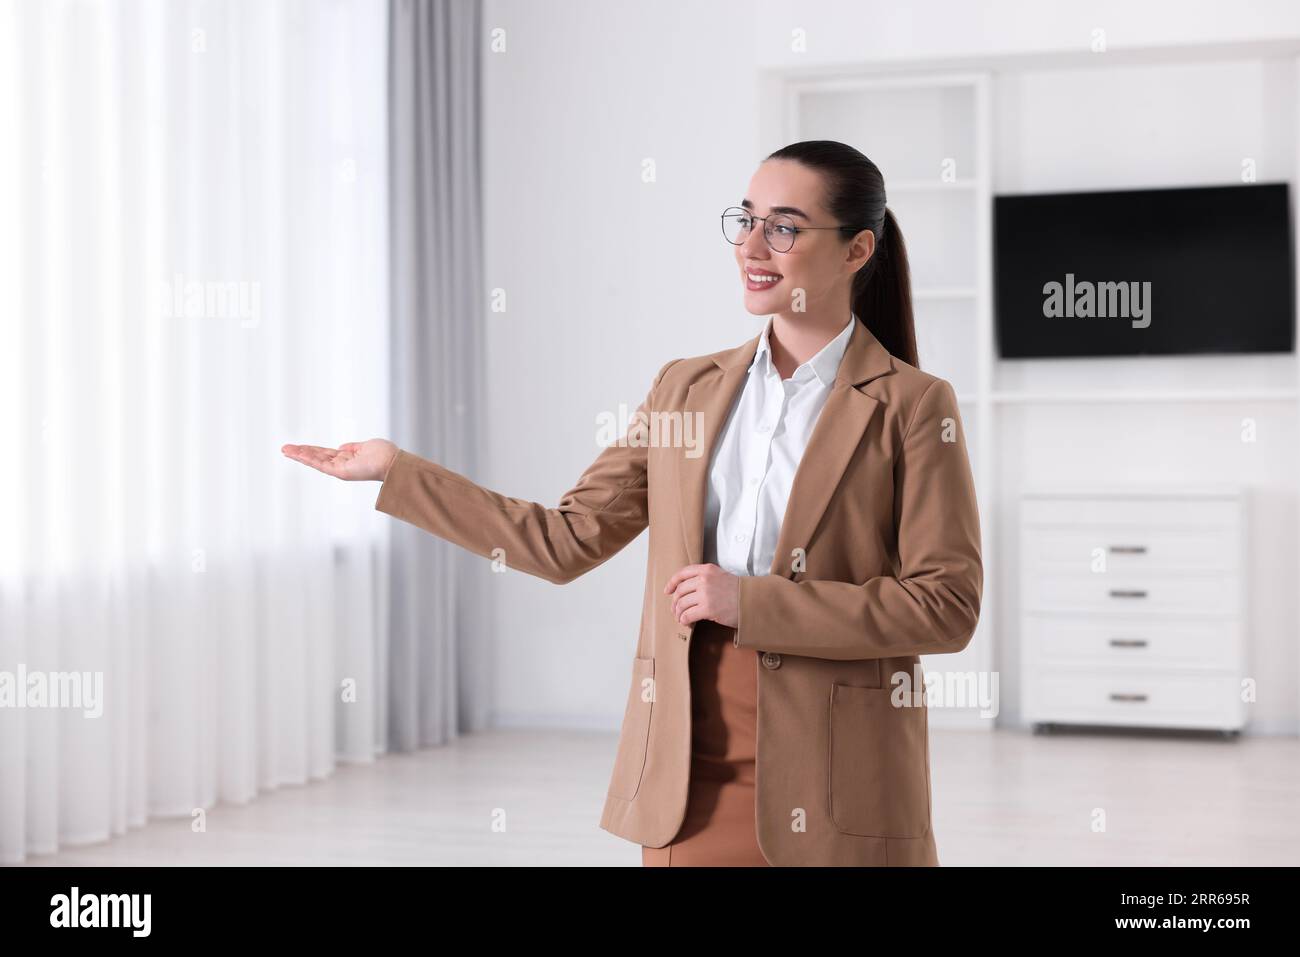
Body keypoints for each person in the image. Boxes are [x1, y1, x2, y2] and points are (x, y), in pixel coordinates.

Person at [283, 139, 983, 866]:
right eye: (744, 220)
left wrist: (755, 602)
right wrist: (399, 473)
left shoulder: (913, 405)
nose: (751, 245)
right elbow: (565, 540)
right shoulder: (685, 389)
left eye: (783, 226)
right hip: (689, 775)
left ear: (855, 249)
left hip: (842, 780)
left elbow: (946, 604)